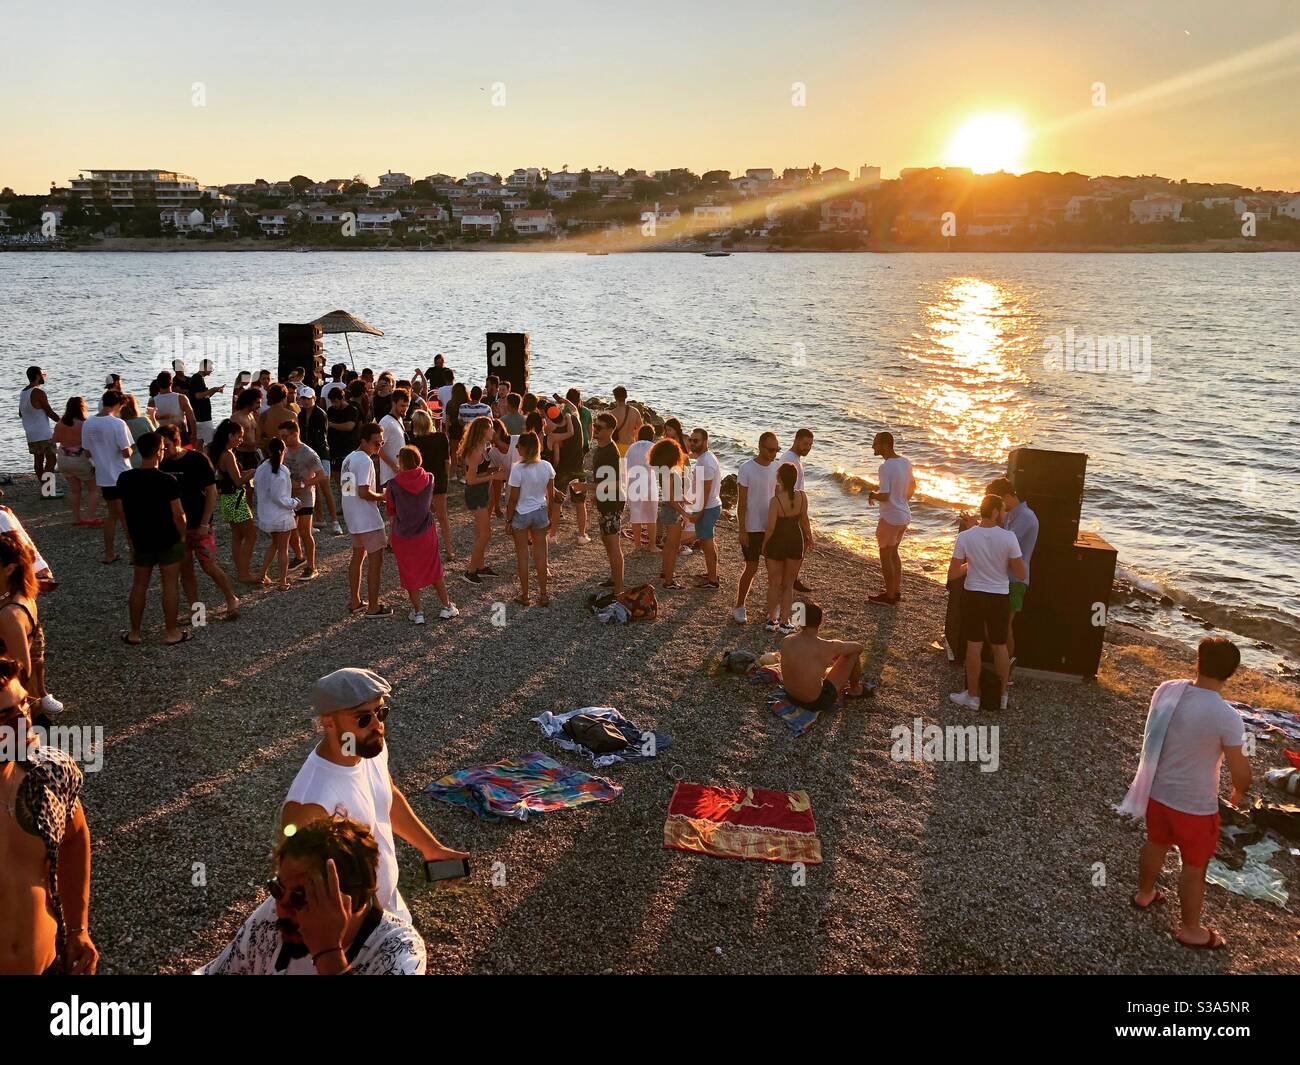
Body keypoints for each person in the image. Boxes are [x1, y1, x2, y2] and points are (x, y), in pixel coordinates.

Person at [280, 668, 469, 924]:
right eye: (362, 718)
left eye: (381, 712)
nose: (377, 725)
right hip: (356, 926)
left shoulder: (370, 747)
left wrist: (431, 848)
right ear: (328, 722)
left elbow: (387, 796)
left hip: (389, 905)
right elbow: (302, 888)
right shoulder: (311, 802)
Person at [1129, 637, 1252, 950]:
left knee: (1155, 843)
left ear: (1198, 661)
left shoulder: (1172, 694)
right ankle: (1190, 928)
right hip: (1195, 806)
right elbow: (1239, 771)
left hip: (1159, 792)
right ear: (1232, 673)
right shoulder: (1227, 716)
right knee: (1194, 868)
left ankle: (1144, 893)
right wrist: (1240, 790)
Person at [198, 816, 426, 975]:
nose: (281, 908)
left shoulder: (398, 949)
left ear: (352, 901)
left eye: (301, 897)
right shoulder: (275, 910)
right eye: (278, 888)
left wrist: (328, 951)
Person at [0, 659, 97, 975]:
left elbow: (75, 838)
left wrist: (77, 930)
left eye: (24, 705)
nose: (25, 723)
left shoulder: (49, 775)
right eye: (4, 716)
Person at [947, 494, 1025, 711]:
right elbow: (1020, 573)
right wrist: (1006, 561)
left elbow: (953, 574)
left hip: (974, 595)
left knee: (974, 646)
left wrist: (970, 565)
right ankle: (1001, 697)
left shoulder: (966, 537)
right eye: (1002, 510)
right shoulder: (1009, 538)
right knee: (1000, 646)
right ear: (994, 512)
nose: (1005, 513)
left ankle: (973, 697)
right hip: (999, 596)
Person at [158, 425, 240, 621]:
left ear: (176, 441)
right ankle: (197, 613)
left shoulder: (197, 459)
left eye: (165, 445)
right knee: (186, 571)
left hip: (199, 523)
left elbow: (212, 492)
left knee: (209, 566)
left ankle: (231, 598)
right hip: (177, 527)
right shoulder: (161, 464)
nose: (162, 450)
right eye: (160, 447)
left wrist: (205, 523)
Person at [117, 432, 189, 646]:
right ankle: (171, 632)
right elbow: (178, 513)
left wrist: (130, 539)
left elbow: (122, 512)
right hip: (167, 537)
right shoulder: (168, 480)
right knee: (170, 585)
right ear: (159, 451)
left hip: (141, 537)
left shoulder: (125, 478)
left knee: (139, 585)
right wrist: (183, 535)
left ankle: (135, 632)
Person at [385, 446, 459, 624]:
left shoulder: (393, 485)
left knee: (409, 572)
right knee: (434, 569)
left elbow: (391, 511)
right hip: (425, 531)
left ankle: (418, 612)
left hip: (403, 534)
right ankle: (446, 605)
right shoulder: (429, 479)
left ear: (402, 462)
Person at [0, 532, 62, 717]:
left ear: (9, 569)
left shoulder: (9, 614)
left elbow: (23, 670)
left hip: (9, 709)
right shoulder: (21, 591)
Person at [778, 599, 868, 712]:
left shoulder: (787, 640)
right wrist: (838, 650)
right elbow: (859, 647)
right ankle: (855, 689)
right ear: (821, 622)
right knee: (852, 654)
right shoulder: (828, 647)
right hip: (814, 703)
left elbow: (805, 658)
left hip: (790, 696)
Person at [985, 477, 1039, 663]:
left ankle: (1005, 671)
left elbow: (1006, 544)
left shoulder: (1026, 517)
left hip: (1016, 579)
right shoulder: (1011, 514)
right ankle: (997, 664)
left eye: (998, 502)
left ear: (1007, 496)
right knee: (993, 623)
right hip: (1002, 576)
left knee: (1004, 625)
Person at [341, 424, 392, 617]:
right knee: (375, 562)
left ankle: (355, 601)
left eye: (381, 442)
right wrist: (383, 496)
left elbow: (347, 490)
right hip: (367, 519)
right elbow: (363, 492)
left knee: (357, 558)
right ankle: (373, 607)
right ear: (363, 441)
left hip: (353, 517)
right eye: (376, 443)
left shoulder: (349, 458)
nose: (379, 447)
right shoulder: (365, 461)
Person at [80, 390, 134, 565]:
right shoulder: (118, 423)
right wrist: (132, 450)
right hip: (122, 474)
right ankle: (133, 552)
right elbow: (126, 451)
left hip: (103, 475)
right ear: (118, 405)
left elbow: (86, 451)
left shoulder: (88, 423)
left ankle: (109, 553)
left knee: (111, 515)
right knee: (126, 514)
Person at [733, 431, 781, 624]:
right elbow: (741, 502)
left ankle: (772, 608)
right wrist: (741, 529)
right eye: (770, 450)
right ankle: (739, 605)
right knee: (751, 568)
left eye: (777, 450)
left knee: (773, 570)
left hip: (770, 527)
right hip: (752, 527)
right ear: (760, 447)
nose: (774, 454)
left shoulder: (777, 468)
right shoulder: (747, 468)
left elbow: (778, 498)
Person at [761, 462, 813, 632]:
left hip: (777, 541)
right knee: (789, 583)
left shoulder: (776, 501)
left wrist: (764, 543)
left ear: (780, 479)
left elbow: (770, 528)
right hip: (794, 540)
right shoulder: (803, 497)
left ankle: (771, 620)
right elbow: (804, 520)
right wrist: (809, 537)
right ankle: (785, 621)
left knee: (774, 583)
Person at [505, 431, 555, 606]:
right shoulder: (547, 466)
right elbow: (551, 495)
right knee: (541, 555)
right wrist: (550, 515)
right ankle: (543, 594)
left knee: (522, 555)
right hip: (540, 510)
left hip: (522, 512)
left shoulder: (518, 468)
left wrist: (508, 520)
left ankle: (525, 595)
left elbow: (513, 498)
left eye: (518, 446)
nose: (517, 448)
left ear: (524, 448)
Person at [868, 431, 915, 604]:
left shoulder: (885, 467)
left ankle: (889, 596)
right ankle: (895, 591)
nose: (873, 446)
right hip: (904, 515)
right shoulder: (905, 462)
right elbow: (913, 485)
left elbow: (885, 495)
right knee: (894, 552)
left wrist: (873, 494)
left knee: (885, 554)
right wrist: (902, 499)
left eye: (876, 443)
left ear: (885, 445)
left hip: (890, 517)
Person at [582, 412, 626, 594]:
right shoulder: (601, 447)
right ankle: (614, 579)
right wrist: (595, 494)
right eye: (594, 426)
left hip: (613, 503)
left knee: (613, 545)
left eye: (599, 427)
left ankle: (619, 589)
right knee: (607, 542)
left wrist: (587, 487)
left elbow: (616, 483)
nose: (594, 430)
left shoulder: (611, 452)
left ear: (609, 430)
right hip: (605, 501)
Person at [210, 419, 259, 584]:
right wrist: (253, 472)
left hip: (226, 498)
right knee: (251, 535)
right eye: (239, 436)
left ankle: (240, 569)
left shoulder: (219, 452)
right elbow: (238, 481)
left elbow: (230, 476)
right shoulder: (228, 455)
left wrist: (246, 473)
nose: (241, 440)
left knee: (237, 536)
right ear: (230, 435)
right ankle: (244, 572)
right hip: (236, 498)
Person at [279, 419, 326, 581]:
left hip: (305, 497)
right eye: (281, 437)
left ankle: (312, 567)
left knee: (305, 531)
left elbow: (321, 475)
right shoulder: (284, 450)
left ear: (295, 434)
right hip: (289, 496)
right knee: (290, 529)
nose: (283, 440)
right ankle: (299, 556)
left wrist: (303, 483)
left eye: (285, 436)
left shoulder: (308, 454)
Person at [460, 416, 504, 586]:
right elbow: (470, 480)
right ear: (482, 431)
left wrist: (492, 472)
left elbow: (480, 473)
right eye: (491, 428)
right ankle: (470, 571)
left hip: (481, 492)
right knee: (486, 533)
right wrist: (494, 475)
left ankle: (480, 566)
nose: (493, 431)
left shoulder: (483, 448)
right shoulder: (476, 452)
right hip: (475, 493)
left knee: (481, 532)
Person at [254, 437, 300, 590]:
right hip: (280, 515)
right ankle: (282, 581)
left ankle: (262, 574)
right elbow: (279, 498)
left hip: (266, 514)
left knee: (274, 544)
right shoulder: (280, 472)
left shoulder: (262, 468)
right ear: (283, 451)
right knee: (283, 548)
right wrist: (295, 503)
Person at [409, 408, 454, 560]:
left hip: (422, 482)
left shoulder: (413, 442)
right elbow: (447, 461)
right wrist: (445, 479)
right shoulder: (441, 437)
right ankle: (449, 550)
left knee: (422, 517)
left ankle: (422, 550)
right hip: (439, 480)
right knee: (443, 517)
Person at [296, 386, 340, 534]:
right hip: (307, 453)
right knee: (314, 488)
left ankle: (334, 521)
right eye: (303, 398)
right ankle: (319, 518)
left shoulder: (320, 414)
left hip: (320, 454)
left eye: (308, 398)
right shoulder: (300, 415)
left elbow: (320, 438)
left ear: (314, 398)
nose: (306, 401)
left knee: (325, 486)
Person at [52, 397, 101, 527]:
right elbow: (91, 443)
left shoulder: (61, 423)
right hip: (79, 459)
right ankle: (90, 517)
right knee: (93, 488)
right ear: (82, 408)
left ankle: (76, 518)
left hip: (63, 459)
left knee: (74, 490)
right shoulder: (84, 424)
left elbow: (55, 439)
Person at [548, 399, 589, 544]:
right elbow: (574, 408)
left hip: (563, 470)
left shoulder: (556, 432)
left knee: (557, 503)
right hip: (578, 468)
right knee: (580, 503)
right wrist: (564, 400)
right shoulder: (575, 420)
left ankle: (552, 535)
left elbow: (557, 456)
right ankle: (581, 535)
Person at [650, 438, 689, 590]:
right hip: (671, 511)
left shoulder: (662, 472)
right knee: (673, 547)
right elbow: (672, 499)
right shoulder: (672, 473)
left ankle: (665, 572)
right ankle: (669, 581)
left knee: (668, 545)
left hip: (665, 510)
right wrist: (684, 513)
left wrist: (685, 500)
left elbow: (673, 494)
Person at [686, 426, 722, 589]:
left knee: (706, 545)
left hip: (707, 507)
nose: (692, 443)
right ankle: (713, 573)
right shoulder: (705, 458)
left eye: (696, 440)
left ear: (705, 441)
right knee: (709, 542)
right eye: (691, 440)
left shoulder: (705, 463)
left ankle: (713, 580)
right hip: (710, 506)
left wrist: (699, 513)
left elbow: (706, 491)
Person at [781, 428, 815, 592]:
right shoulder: (790, 459)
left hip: (792, 509)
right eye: (804, 444)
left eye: (810, 445)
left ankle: (792, 579)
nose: (807, 447)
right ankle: (790, 580)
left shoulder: (794, 459)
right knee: (799, 546)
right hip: (792, 511)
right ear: (796, 441)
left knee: (799, 547)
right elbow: (789, 489)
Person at [18, 366, 59, 489]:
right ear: (37, 376)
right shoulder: (38, 392)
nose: (44, 376)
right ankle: (48, 489)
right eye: (43, 374)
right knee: (51, 460)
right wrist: (64, 422)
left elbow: (21, 413)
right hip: (43, 434)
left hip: (30, 434)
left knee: (38, 461)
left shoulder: (23, 393)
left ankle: (45, 487)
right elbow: (49, 412)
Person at [624, 424, 658, 550]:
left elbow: (625, 466)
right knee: (651, 515)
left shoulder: (632, 447)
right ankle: (652, 545)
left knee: (636, 514)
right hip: (649, 483)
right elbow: (657, 467)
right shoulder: (653, 447)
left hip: (633, 483)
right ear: (652, 435)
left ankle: (637, 545)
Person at [326, 385, 361, 507]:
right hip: (335, 447)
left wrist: (331, 425)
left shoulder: (352, 410)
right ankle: (343, 501)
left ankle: (350, 502)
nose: (334, 404)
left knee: (347, 476)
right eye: (332, 401)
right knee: (336, 476)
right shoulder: (330, 410)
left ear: (342, 399)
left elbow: (349, 426)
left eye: (335, 401)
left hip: (348, 447)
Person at [148, 370, 198, 445]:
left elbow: (151, 423)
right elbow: (192, 420)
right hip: (181, 436)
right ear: (171, 382)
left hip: (162, 438)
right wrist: (194, 435)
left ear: (158, 384)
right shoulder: (181, 398)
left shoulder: (152, 402)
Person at [184, 358, 224, 447]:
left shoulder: (199, 378)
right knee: (211, 443)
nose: (211, 370)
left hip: (200, 417)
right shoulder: (197, 378)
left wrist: (215, 391)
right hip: (203, 418)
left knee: (200, 441)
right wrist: (212, 389)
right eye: (210, 368)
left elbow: (205, 396)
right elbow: (197, 396)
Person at [376, 389, 409, 488]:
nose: (405, 409)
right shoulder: (386, 422)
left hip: (400, 474)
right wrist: (393, 466)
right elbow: (377, 447)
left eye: (407, 406)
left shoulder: (399, 419)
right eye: (402, 406)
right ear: (394, 404)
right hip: (390, 476)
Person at [231, 386, 263, 475]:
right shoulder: (237, 417)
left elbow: (257, 433)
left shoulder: (252, 415)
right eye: (257, 403)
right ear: (250, 401)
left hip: (254, 453)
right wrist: (253, 444)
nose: (259, 406)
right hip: (242, 455)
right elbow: (233, 440)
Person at [120, 393, 157, 468]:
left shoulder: (121, 425)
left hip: (130, 461)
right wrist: (153, 418)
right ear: (135, 407)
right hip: (146, 459)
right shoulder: (143, 420)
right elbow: (156, 436)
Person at [259, 384, 298, 450]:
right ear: (284, 397)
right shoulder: (292, 415)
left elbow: (259, 440)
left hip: (270, 453)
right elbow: (296, 438)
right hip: (288, 453)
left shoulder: (263, 415)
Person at [610, 385, 642, 456]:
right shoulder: (635, 411)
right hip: (631, 447)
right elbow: (640, 430)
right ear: (626, 396)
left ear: (615, 397)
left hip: (617, 447)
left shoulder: (612, 413)